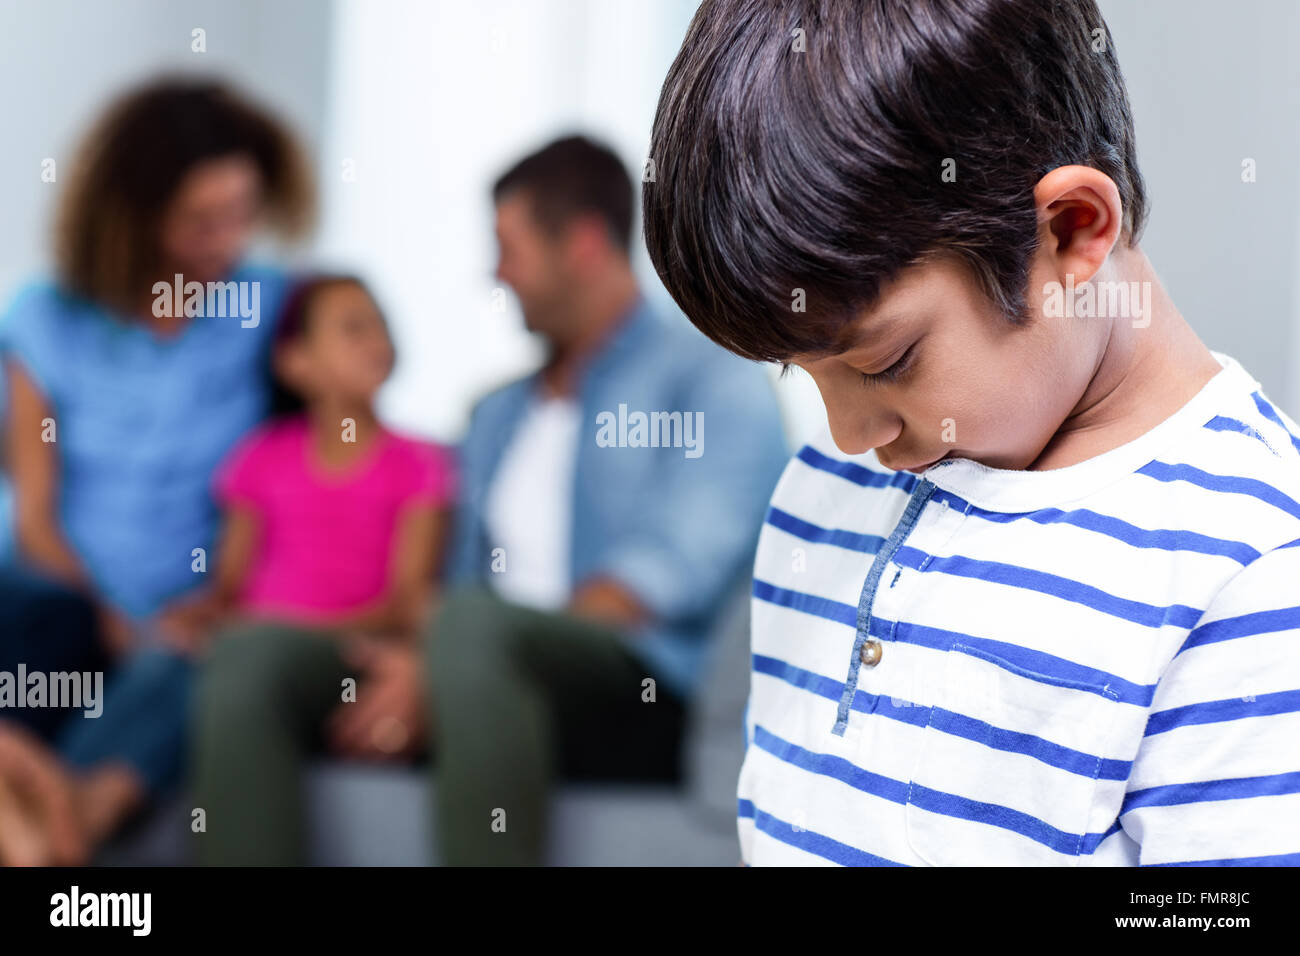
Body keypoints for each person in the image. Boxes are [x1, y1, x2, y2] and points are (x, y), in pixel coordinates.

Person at [641, 0, 1300, 867]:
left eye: (886, 362)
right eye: (799, 371)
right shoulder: (827, 491)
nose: (846, 435)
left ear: (1071, 231)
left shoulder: (1248, 568)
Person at [0, 76, 312, 866]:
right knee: (44, 622)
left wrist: (210, 606)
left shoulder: (271, 310)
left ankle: (57, 823)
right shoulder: (46, 316)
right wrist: (109, 614)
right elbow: (34, 516)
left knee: (197, 666)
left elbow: (301, 484)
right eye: (200, 222)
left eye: (242, 215)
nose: (226, 242)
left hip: (184, 614)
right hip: (54, 597)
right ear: (134, 217)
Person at [188, 275, 455, 864]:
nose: (375, 340)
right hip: (250, 650)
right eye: (352, 327)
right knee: (173, 670)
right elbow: (225, 588)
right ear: (295, 362)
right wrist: (187, 622)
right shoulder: (260, 458)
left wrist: (278, 634)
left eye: (379, 324)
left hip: (349, 656)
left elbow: (407, 603)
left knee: (246, 662)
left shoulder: (422, 465)